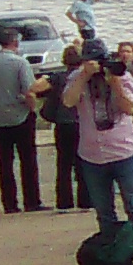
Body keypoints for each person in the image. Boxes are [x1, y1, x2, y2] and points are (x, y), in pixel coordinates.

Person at [66, 38, 133, 265]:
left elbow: (130, 107)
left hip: (124, 151)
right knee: (104, 210)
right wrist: (83, 75)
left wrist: (114, 82)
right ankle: (114, 252)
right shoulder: (78, 77)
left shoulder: (122, 76)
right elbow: (67, 101)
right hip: (92, 155)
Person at [0, 29, 43, 212]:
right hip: (20, 115)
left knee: (4, 162)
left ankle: (9, 203)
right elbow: (29, 91)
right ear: (15, 43)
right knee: (28, 160)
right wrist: (31, 108)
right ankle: (32, 201)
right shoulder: (20, 63)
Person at [41, 41, 81, 212]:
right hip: (81, 122)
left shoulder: (58, 77)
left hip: (63, 123)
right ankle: (86, 199)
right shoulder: (84, 77)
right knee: (83, 163)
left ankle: (64, 201)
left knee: (63, 163)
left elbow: (35, 87)